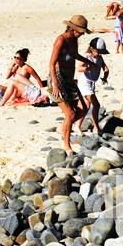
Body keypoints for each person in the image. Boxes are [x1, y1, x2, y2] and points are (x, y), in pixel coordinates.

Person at [49, 15, 93, 153]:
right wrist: (55, 85)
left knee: (84, 108)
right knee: (70, 113)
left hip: (69, 79)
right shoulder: (60, 40)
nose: (81, 34)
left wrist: (89, 62)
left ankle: (63, 128)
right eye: (80, 31)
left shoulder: (74, 40)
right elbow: (51, 63)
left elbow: (74, 55)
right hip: (57, 79)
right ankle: (67, 146)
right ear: (72, 28)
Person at [76, 38, 110, 134]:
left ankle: (77, 126)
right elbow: (79, 68)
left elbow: (105, 68)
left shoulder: (99, 58)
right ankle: (96, 128)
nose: (98, 54)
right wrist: (89, 68)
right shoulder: (87, 57)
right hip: (84, 83)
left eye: (100, 52)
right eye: (97, 52)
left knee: (86, 107)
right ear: (91, 49)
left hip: (92, 84)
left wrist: (105, 77)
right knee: (96, 105)